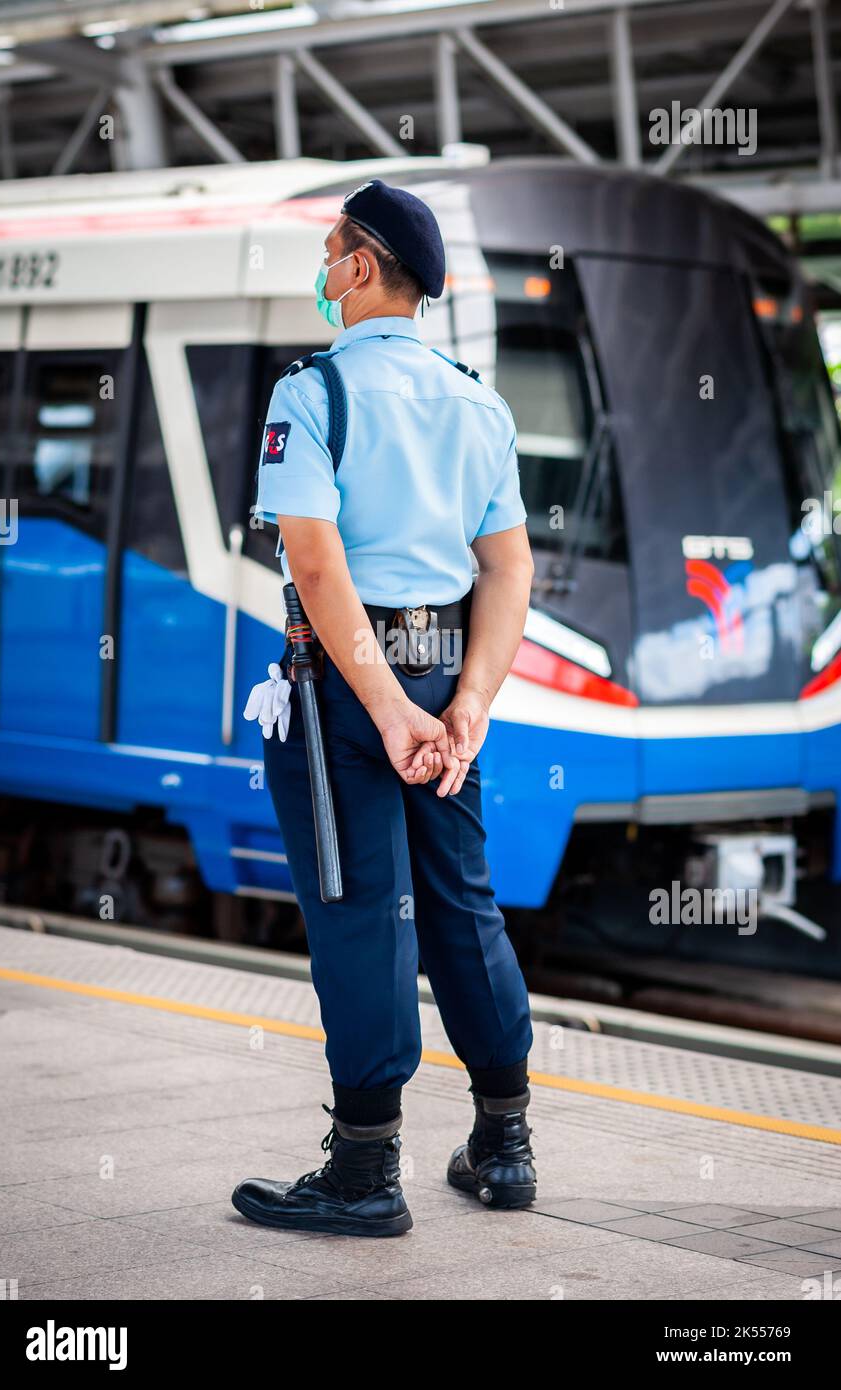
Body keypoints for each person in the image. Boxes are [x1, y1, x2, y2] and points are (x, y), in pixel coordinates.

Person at [231, 178, 536, 1239]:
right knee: (462, 904)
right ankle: (504, 1145)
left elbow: (315, 565)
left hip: (340, 695)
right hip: (443, 678)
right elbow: (509, 573)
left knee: (362, 916)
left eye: (328, 253)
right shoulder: (477, 401)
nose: (322, 272)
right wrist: (466, 707)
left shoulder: (312, 396)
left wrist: (385, 711)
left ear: (360, 267)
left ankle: (364, 1171)